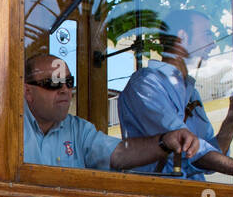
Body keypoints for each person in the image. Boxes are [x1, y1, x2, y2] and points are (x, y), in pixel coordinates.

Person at [118, 10, 233, 185]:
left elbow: (209, 154)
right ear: (182, 36)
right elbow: (190, 148)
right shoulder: (146, 84)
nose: (213, 44)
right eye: (207, 34)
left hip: (190, 194)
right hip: (158, 195)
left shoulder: (190, 90)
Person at [24, 54, 199, 170]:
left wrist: (165, 141)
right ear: (27, 92)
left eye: (69, 82)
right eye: (54, 83)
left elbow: (119, 154)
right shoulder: (8, 126)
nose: (64, 90)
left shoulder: (78, 129)